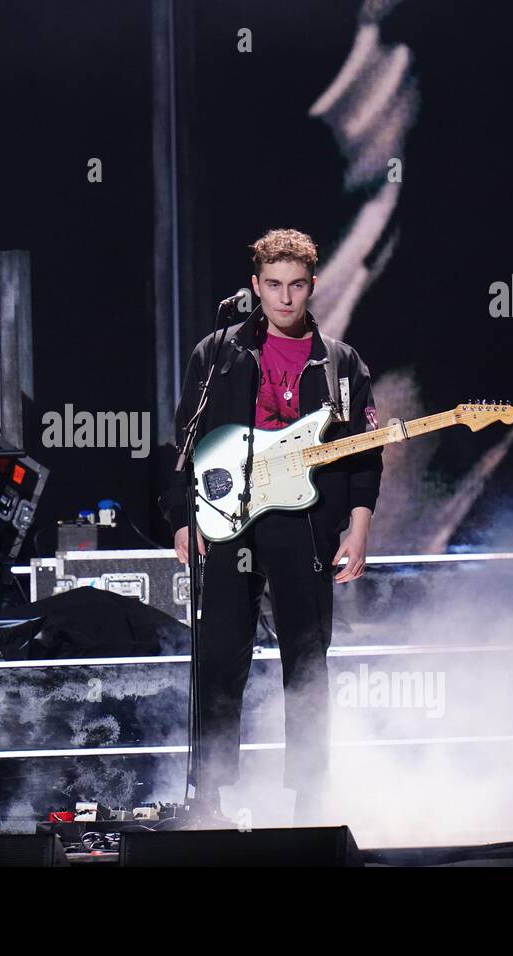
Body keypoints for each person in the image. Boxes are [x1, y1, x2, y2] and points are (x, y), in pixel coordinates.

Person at [160, 228, 383, 824]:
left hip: (307, 523)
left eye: (297, 286)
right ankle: (210, 796)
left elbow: (364, 455)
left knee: (307, 661)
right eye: (274, 286)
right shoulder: (218, 354)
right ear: (255, 286)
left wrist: (357, 531)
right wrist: (181, 516)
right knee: (219, 658)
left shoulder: (339, 363)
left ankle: (308, 800)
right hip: (230, 519)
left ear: (313, 286)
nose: (285, 299)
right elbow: (186, 439)